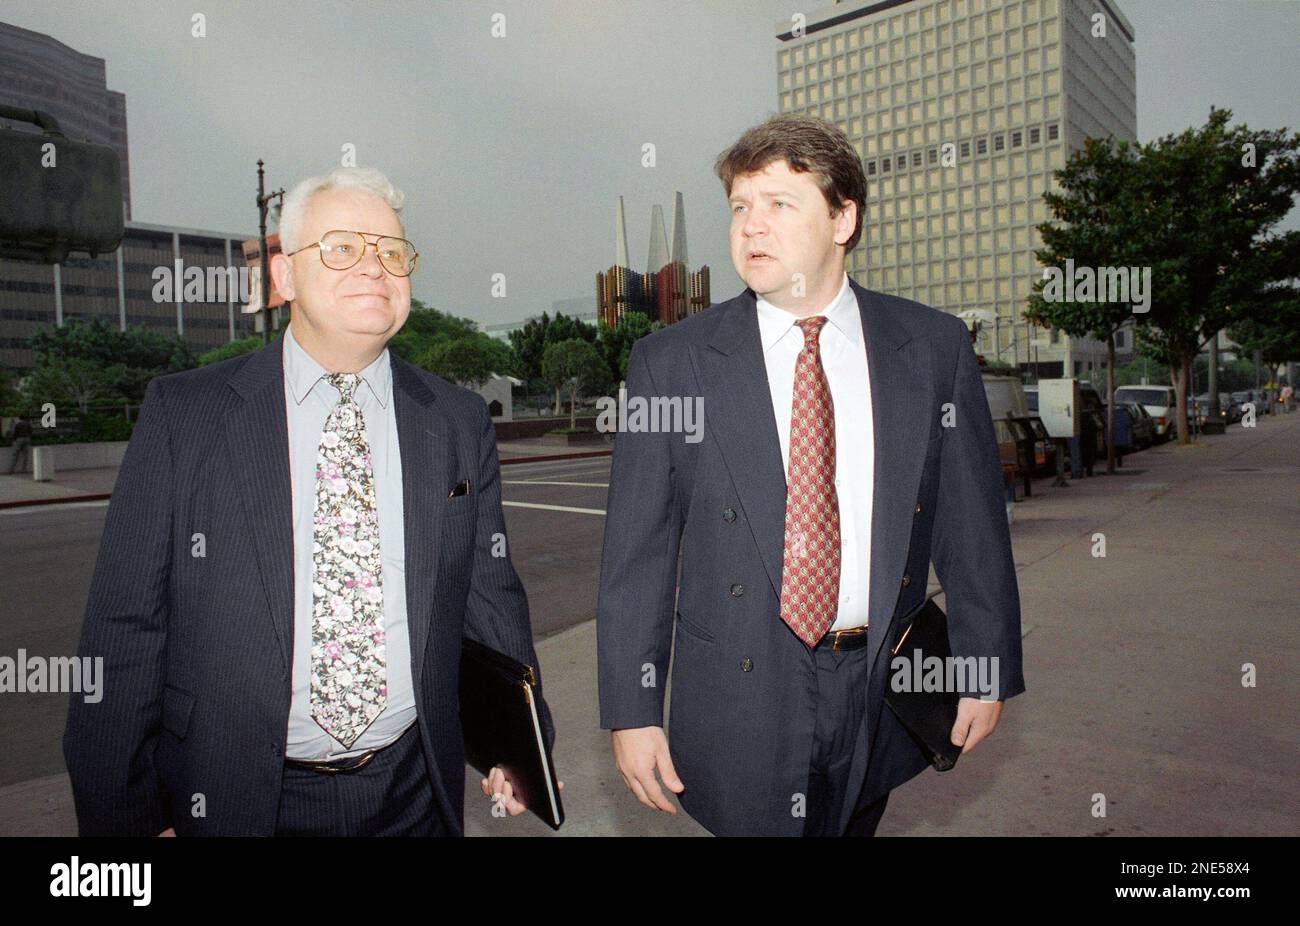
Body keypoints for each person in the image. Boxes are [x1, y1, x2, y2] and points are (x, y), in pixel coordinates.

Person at [64, 167, 556, 835]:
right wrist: (126, 822)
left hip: (415, 793)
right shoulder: (187, 415)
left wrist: (522, 742)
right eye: (343, 248)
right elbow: (123, 631)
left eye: (390, 251)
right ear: (284, 275)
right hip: (233, 799)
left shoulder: (457, 419)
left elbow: (489, 595)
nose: (374, 268)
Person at [596, 115, 1025, 837]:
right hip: (737, 685)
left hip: (879, 681)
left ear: (843, 218)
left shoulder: (931, 347)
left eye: (779, 204)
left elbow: (970, 523)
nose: (751, 227)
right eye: (739, 207)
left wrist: (985, 662)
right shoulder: (673, 362)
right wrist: (632, 709)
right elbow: (636, 555)